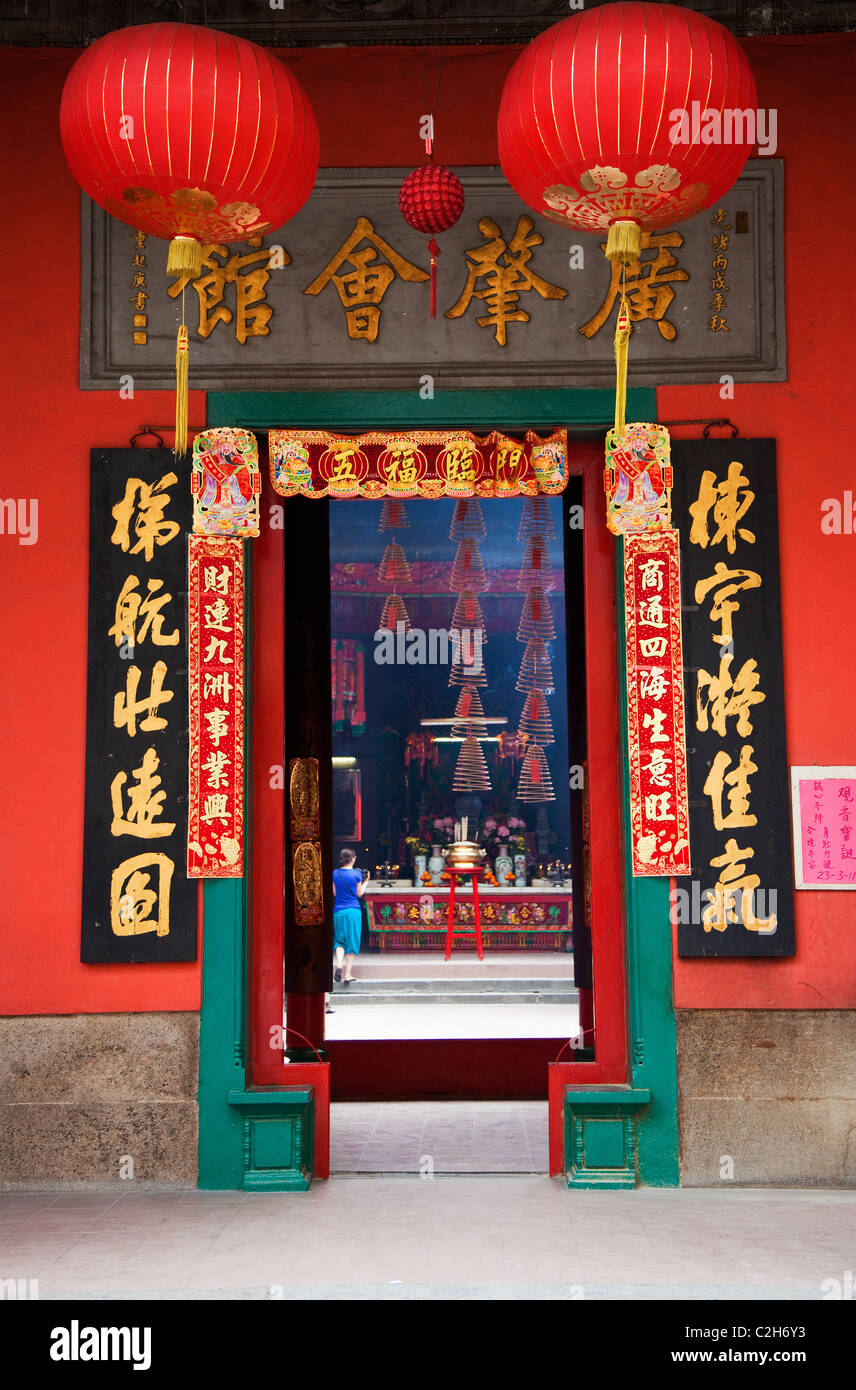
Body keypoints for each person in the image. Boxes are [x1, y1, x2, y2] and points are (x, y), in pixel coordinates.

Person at [332, 848, 366, 986]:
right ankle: (347, 974)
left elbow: (334, 893)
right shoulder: (357, 874)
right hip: (353, 910)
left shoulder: (335, 873)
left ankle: (339, 964)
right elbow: (359, 893)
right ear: (353, 859)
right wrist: (366, 881)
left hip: (339, 910)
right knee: (352, 941)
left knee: (340, 940)